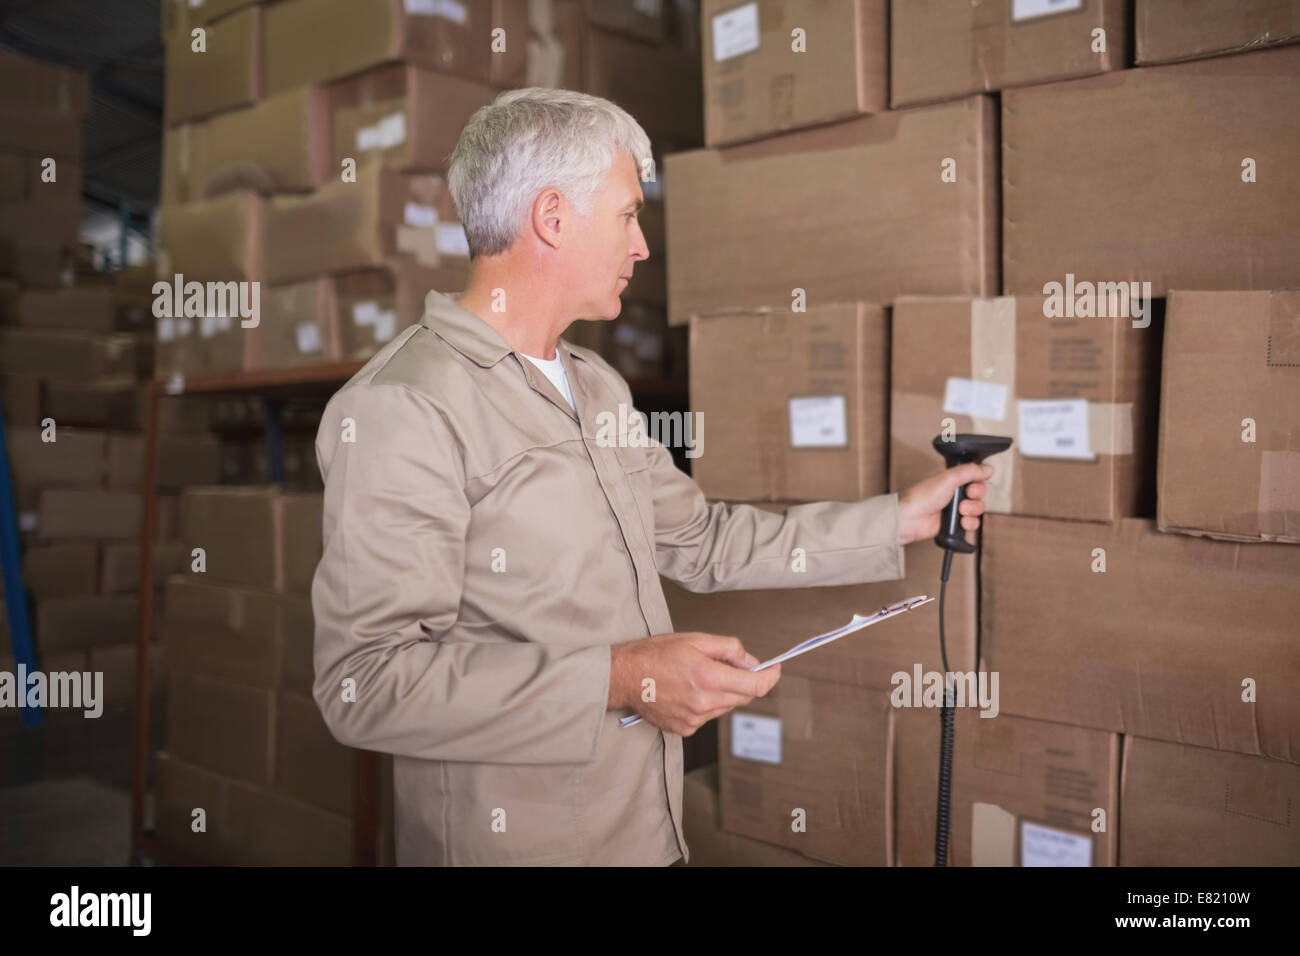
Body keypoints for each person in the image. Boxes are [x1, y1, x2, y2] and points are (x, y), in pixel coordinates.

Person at [311, 88, 991, 866]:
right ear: (553, 217)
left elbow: (699, 539)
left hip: (645, 826)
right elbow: (365, 682)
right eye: (629, 214)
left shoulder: (595, 384)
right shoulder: (406, 405)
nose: (640, 247)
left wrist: (896, 520)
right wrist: (624, 677)